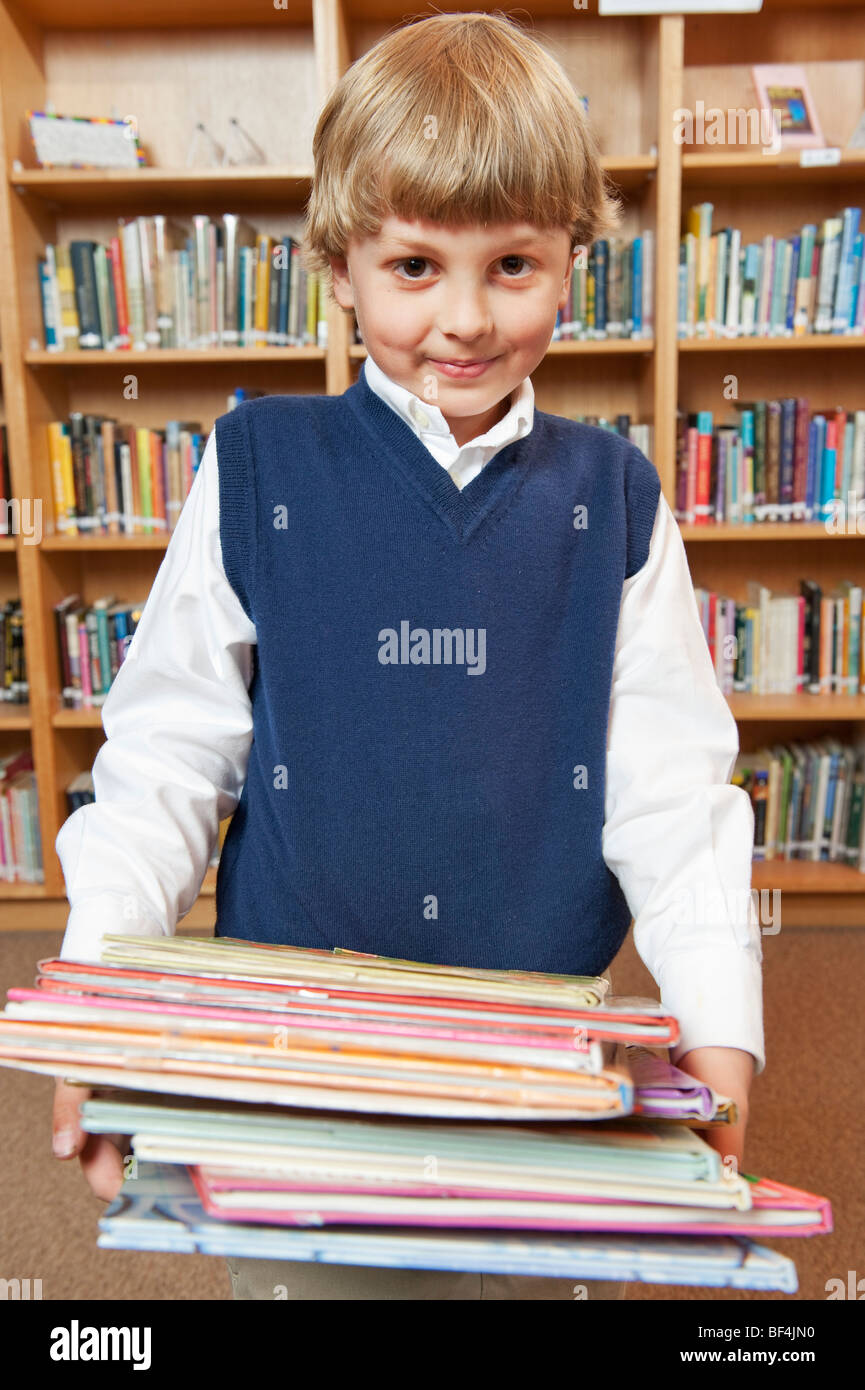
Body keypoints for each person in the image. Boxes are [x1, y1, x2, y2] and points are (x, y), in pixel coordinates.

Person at [51, 11, 763, 1300]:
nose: (468, 320)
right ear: (340, 266)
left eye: (515, 265)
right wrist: (105, 1009)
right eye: (415, 267)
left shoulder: (616, 497)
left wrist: (721, 1029)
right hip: (293, 1054)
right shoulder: (255, 466)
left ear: (574, 262)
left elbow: (674, 792)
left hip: (541, 1056)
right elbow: (165, 757)